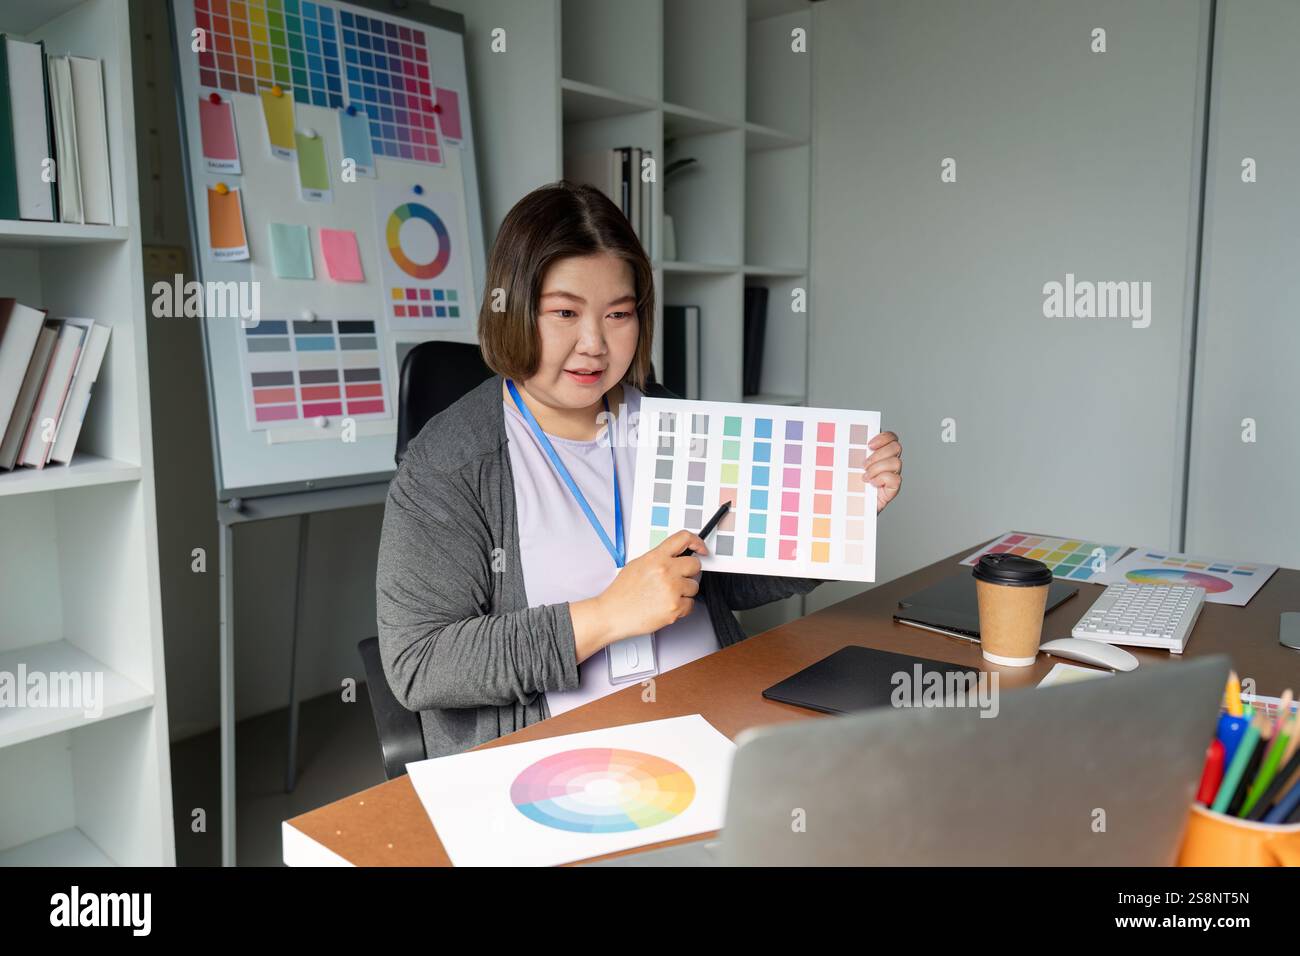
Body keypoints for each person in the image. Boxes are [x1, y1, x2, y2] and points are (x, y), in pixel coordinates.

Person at [376, 181, 902, 758]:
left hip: (719, 713)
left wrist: (838, 512)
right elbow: (419, 663)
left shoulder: (668, 419)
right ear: (513, 309)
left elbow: (728, 577)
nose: (594, 344)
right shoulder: (451, 463)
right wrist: (604, 616)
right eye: (564, 313)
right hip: (566, 757)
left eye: (618, 314)